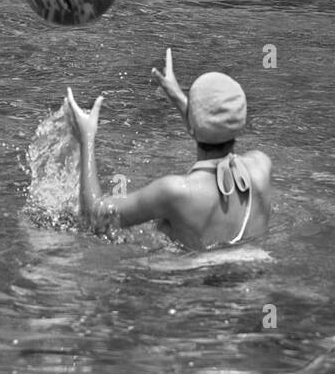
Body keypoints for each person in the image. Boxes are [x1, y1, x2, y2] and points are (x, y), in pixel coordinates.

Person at [65, 48, 271, 250]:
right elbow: (212, 129)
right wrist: (178, 97)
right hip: (252, 277)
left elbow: (95, 217)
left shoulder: (176, 192)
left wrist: (87, 136)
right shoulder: (261, 166)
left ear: (192, 125)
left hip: (191, 281)